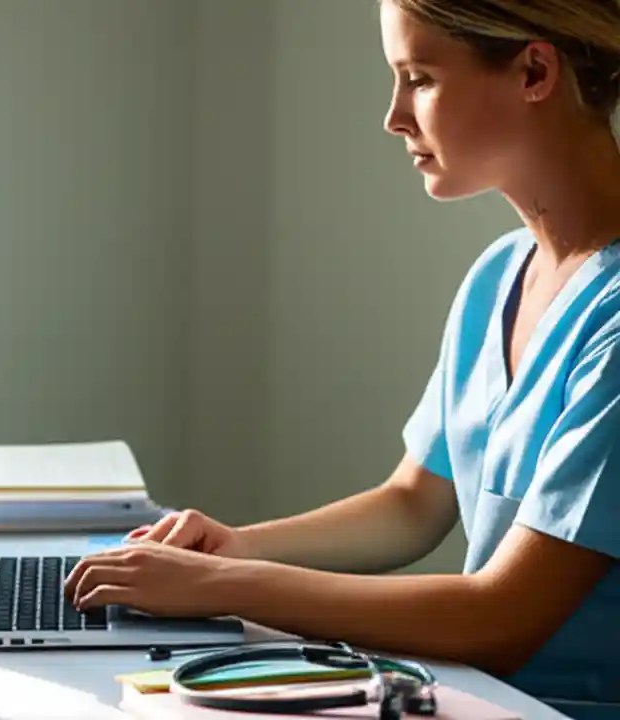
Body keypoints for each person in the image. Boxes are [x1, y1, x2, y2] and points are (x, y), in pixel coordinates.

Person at [64, 1, 620, 716]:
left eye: (418, 78)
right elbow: (413, 505)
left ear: (535, 72)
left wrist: (214, 587)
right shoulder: (501, 274)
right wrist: (233, 548)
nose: (393, 115)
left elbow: (502, 617)